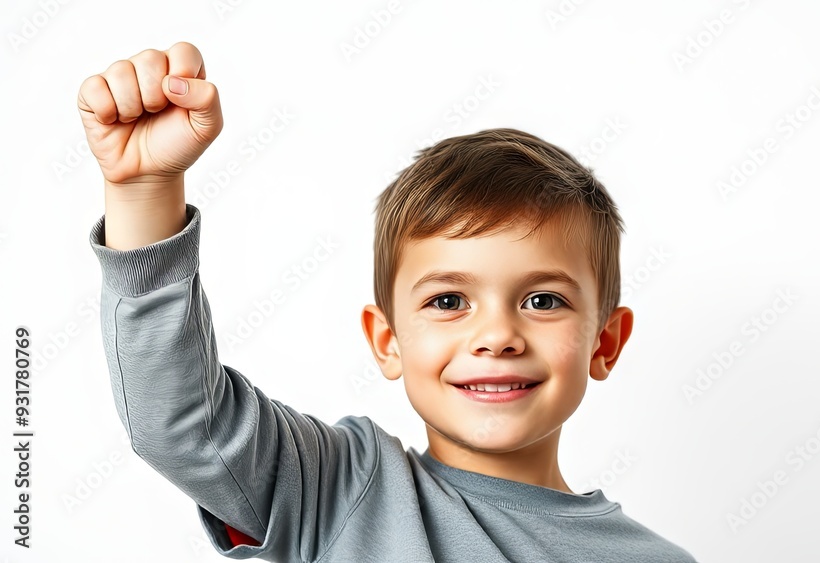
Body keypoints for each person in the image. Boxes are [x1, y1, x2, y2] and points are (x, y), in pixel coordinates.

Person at [80, 41, 698, 562]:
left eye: (541, 300)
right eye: (450, 300)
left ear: (605, 341)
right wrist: (144, 192)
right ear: (387, 339)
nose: (497, 335)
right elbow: (182, 423)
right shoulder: (336, 488)